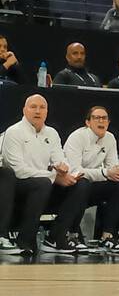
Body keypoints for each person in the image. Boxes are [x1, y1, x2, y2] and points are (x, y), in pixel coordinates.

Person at [0, 95, 91, 255]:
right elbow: (18, 170)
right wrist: (53, 177)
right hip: (18, 186)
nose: (38, 111)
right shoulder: (14, 132)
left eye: (42, 108)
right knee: (42, 183)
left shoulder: (52, 133)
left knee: (81, 184)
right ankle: (24, 240)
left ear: (47, 112)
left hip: (45, 186)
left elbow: (60, 159)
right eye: (33, 107)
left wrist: (63, 169)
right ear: (24, 110)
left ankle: (55, 237)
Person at [64, 106, 119, 252]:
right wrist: (105, 173)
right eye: (97, 118)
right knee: (82, 184)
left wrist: (116, 172)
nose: (101, 121)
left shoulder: (110, 138)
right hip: (71, 185)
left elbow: (112, 167)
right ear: (88, 122)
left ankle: (108, 236)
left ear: (108, 122)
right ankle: (71, 235)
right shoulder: (77, 137)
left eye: (104, 118)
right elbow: (75, 171)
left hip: (93, 184)